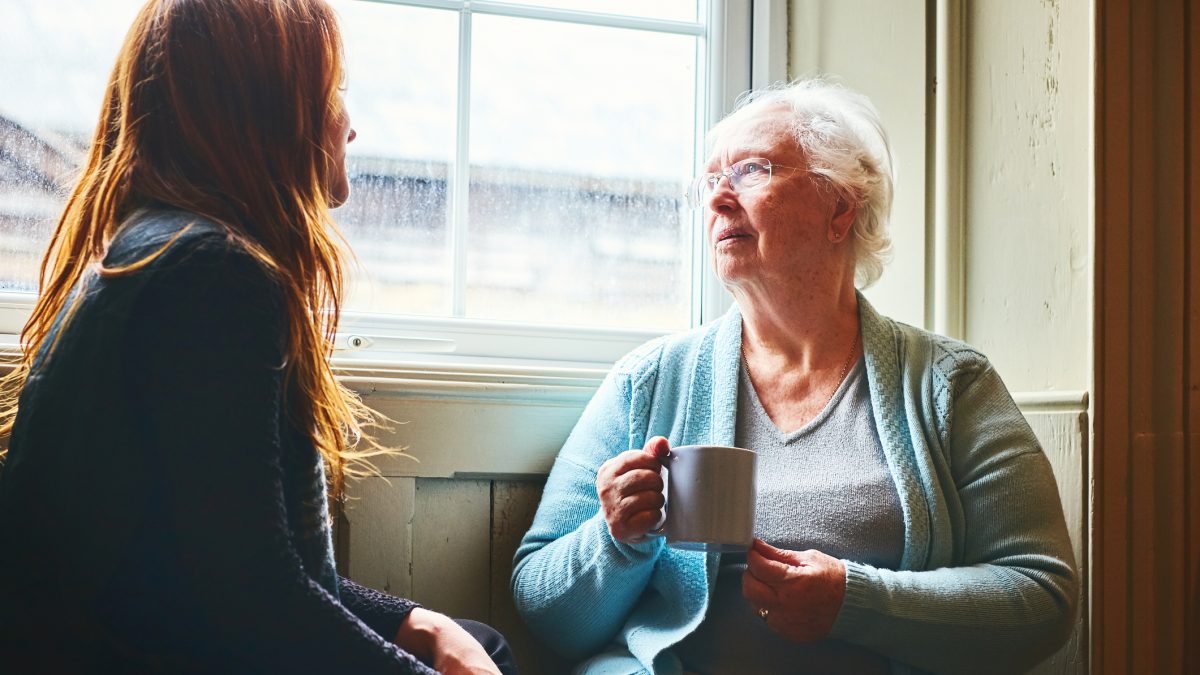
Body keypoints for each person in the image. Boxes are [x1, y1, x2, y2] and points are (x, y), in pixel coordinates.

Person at [0, 1, 515, 673]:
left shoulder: (156, 250)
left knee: (472, 637)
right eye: (333, 93)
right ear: (272, 113)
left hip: (138, 636)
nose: (349, 125)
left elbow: (242, 562)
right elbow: (255, 597)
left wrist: (418, 623)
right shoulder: (212, 274)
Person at [511, 78, 1078, 675]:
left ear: (839, 207)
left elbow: (1042, 597)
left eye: (751, 171)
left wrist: (857, 602)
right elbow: (543, 610)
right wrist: (615, 539)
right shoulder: (649, 380)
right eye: (710, 182)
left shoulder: (949, 384)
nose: (718, 200)